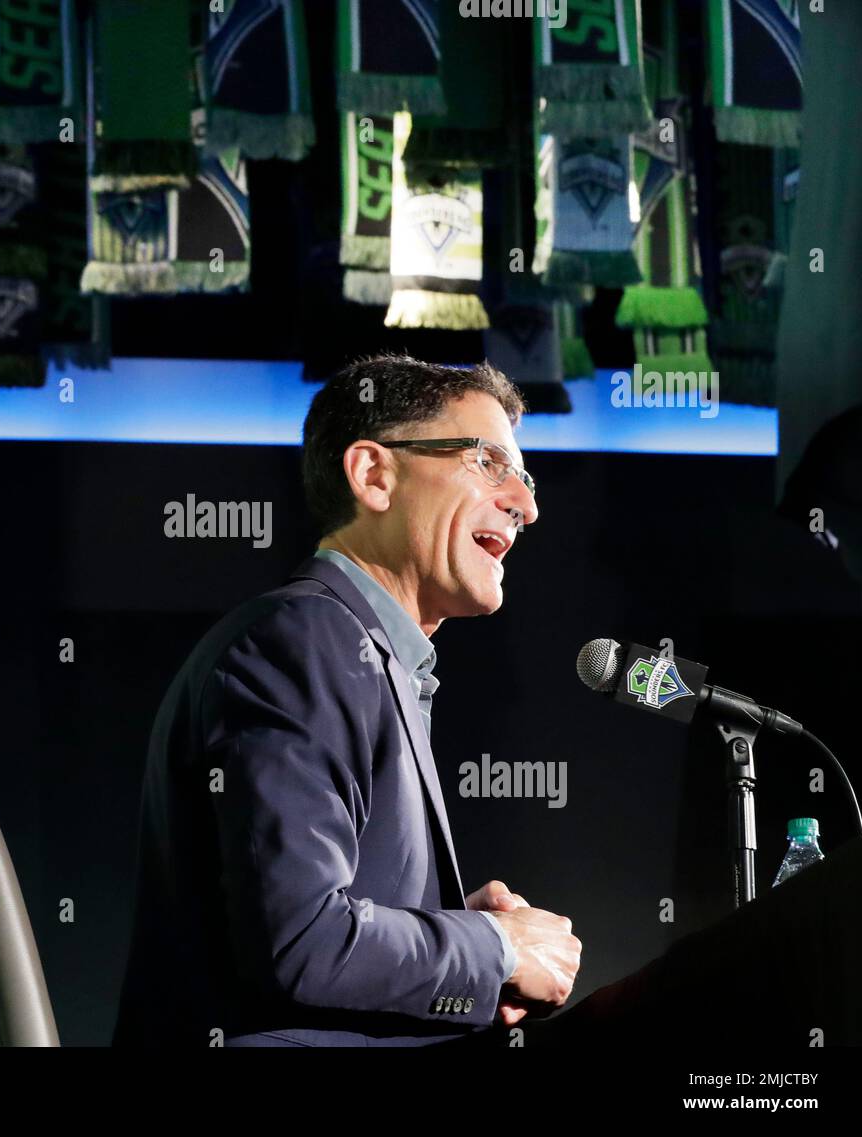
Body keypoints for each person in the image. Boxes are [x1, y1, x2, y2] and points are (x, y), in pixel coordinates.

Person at [113, 353, 581, 1047]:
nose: (527, 503)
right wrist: (493, 946)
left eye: (526, 476)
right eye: (489, 461)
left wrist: (454, 927)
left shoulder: (354, 649)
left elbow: (314, 922)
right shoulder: (302, 640)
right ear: (373, 474)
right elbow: (301, 939)